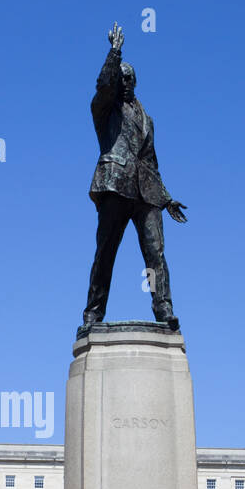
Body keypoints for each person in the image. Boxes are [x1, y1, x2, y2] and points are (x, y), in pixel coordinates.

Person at [84, 22, 188, 330]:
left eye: (129, 78)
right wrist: (114, 53)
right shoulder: (105, 109)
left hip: (146, 194)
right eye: (121, 77)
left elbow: (151, 162)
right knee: (106, 253)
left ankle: (164, 308)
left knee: (156, 254)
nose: (124, 82)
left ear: (137, 82)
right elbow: (103, 85)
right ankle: (93, 312)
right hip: (115, 186)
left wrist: (167, 198)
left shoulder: (148, 119)